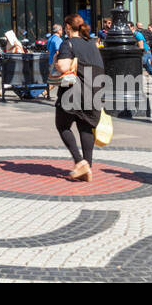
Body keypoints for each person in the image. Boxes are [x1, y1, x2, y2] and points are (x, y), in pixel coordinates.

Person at [52, 15, 104, 181]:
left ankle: (79, 161)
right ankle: (87, 166)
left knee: (62, 125)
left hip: (74, 92)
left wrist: (55, 61)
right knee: (85, 126)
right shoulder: (92, 44)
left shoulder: (68, 43)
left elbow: (63, 66)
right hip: (95, 91)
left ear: (67, 27)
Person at [43, 24, 63, 99]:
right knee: (57, 79)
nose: (62, 31)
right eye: (61, 30)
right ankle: (45, 92)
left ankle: (46, 92)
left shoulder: (50, 39)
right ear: (58, 30)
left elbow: (48, 50)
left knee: (53, 78)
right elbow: (58, 51)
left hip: (50, 61)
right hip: (55, 62)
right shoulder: (58, 39)